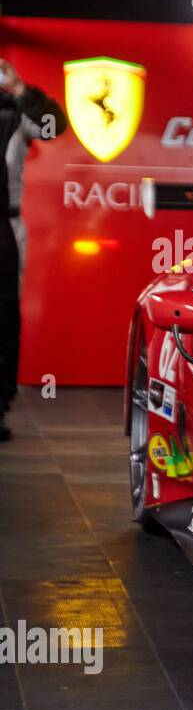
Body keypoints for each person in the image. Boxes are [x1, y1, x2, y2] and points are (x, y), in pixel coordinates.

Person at [0, 58, 66, 441]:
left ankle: (0, 404)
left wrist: (24, 91)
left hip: (5, 225)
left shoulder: (14, 109)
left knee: (4, 313)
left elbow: (53, 126)